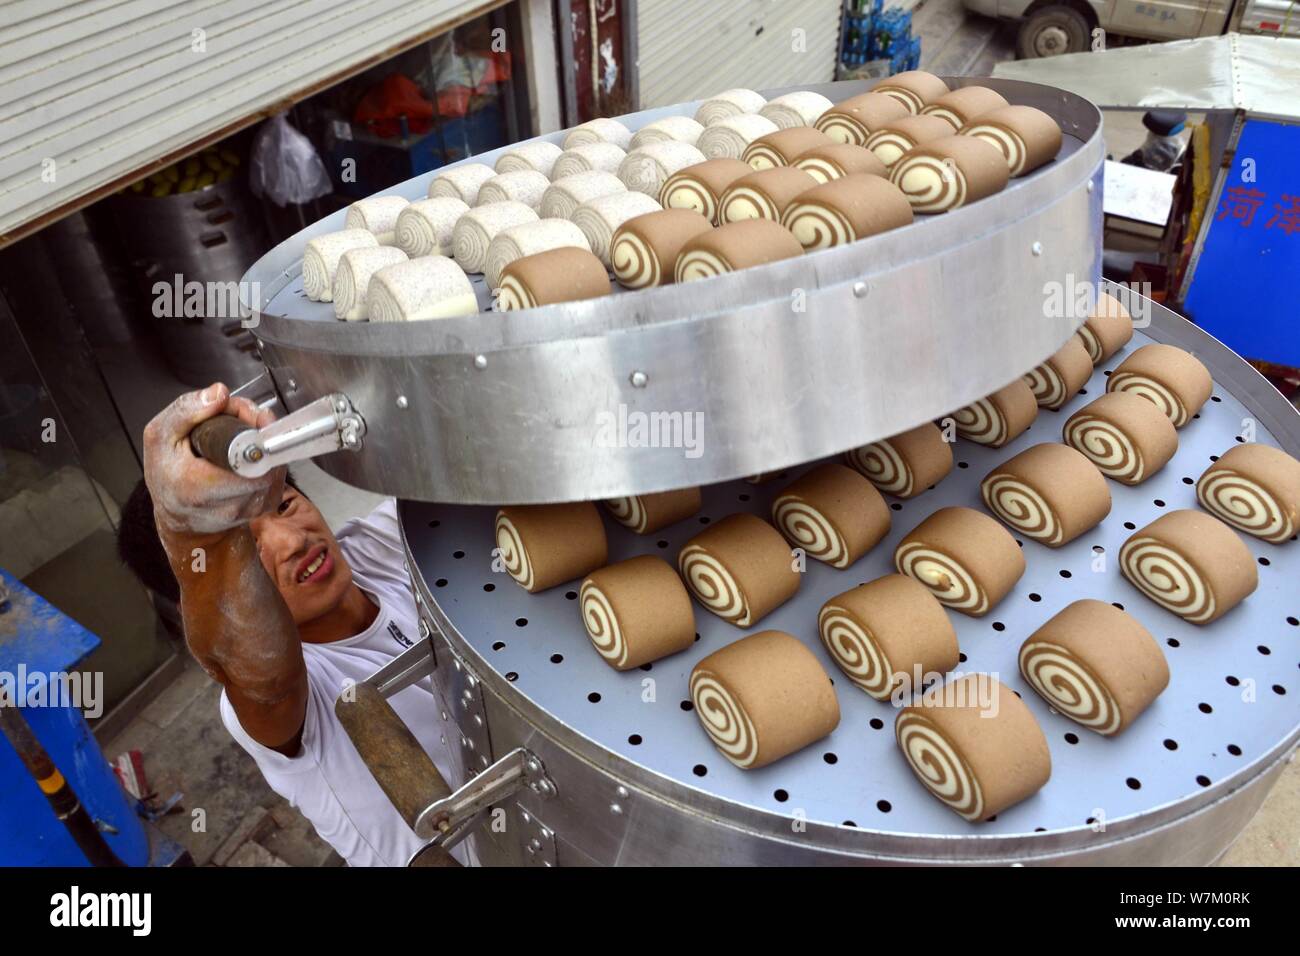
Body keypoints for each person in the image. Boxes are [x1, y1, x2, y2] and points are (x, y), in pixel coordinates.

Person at [119, 382, 470, 866]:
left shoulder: (383, 544)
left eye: (283, 505)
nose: (292, 541)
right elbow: (265, 681)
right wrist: (186, 531)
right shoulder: (283, 698)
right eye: (246, 550)